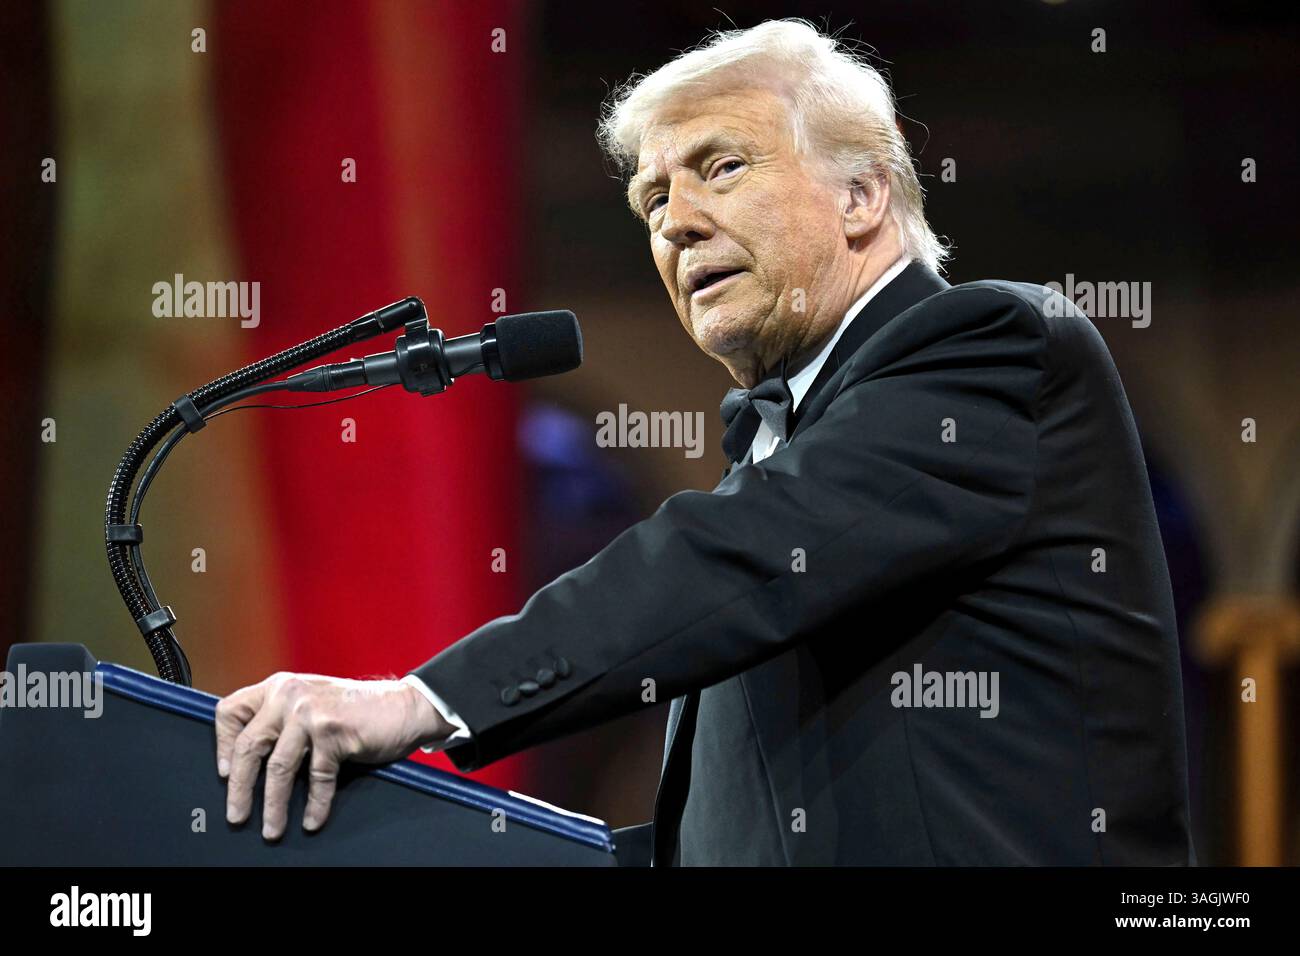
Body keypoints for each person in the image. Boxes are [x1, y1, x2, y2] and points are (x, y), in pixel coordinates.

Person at [216, 19, 1195, 866]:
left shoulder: (989, 350)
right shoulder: (777, 450)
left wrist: (422, 701)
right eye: (651, 202)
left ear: (861, 194)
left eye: (720, 167)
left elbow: (735, 552)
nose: (676, 224)